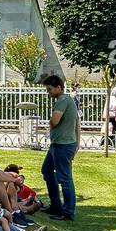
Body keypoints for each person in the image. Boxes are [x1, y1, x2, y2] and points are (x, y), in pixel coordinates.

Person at [42, 74, 79, 221]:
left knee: (64, 178)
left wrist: (49, 124)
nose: (48, 92)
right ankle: (56, 205)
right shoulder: (68, 100)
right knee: (47, 171)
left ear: (59, 87)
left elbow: (55, 121)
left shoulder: (62, 100)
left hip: (62, 146)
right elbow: (77, 124)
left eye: (50, 89)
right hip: (58, 144)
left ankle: (68, 212)